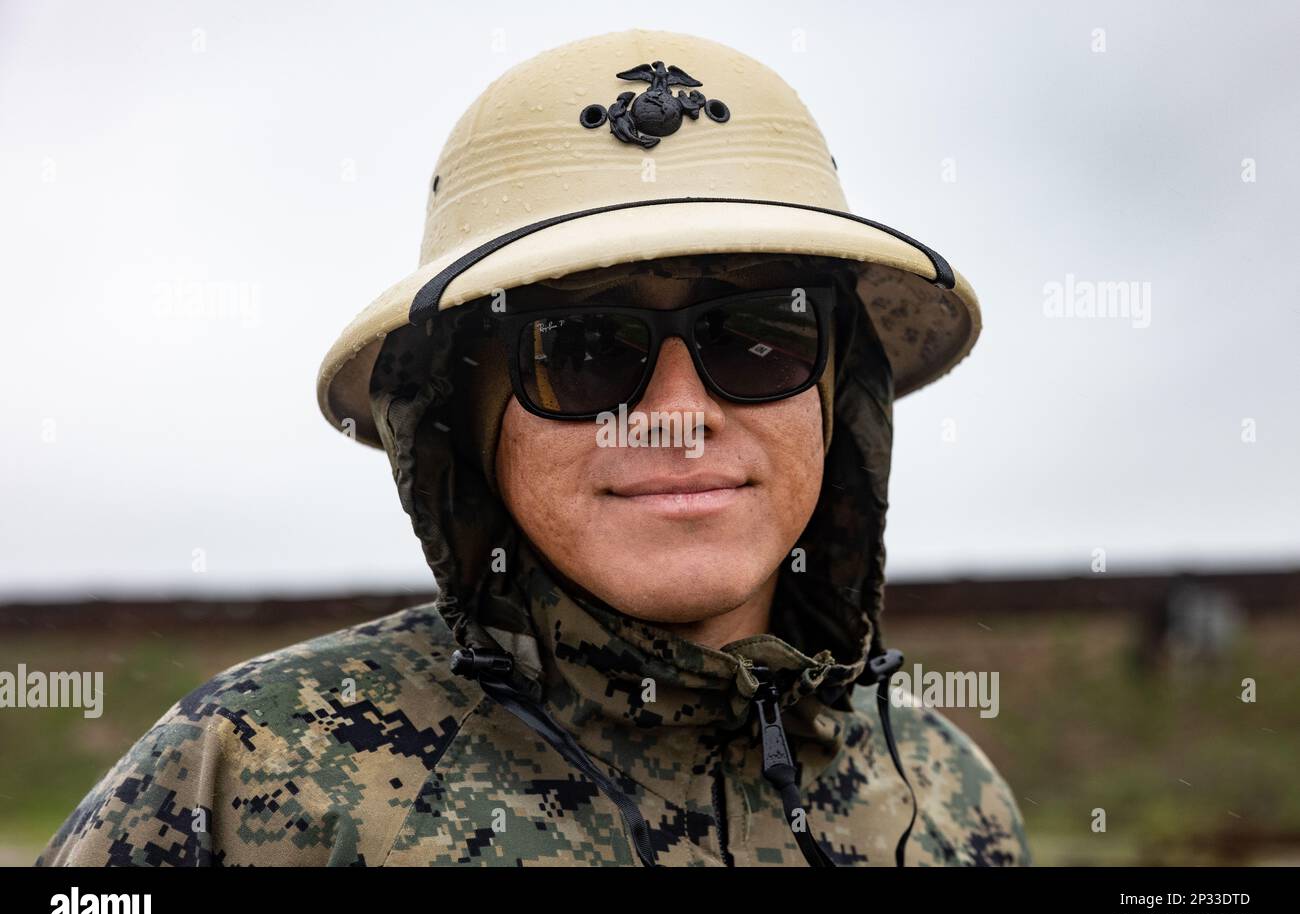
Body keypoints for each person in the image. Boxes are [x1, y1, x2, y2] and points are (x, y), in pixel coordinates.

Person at [38, 29, 1029, 867]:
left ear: (836, 386)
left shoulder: (953, 806)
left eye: (758, 336)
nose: (677, 415)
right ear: (457, 416)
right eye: (584, 352)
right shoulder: (254, 777)